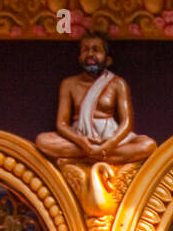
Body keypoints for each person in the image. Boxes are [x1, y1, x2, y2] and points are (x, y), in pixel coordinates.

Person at [35, 34, 156, 165]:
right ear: (79, 57)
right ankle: (97, 155)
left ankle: (86, 157)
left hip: (110, 139)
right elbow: (62, 124)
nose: (90, 54)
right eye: (86, 50)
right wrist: (81, 142)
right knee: (43, 140)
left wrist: (110, 143)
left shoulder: (117, 83)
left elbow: (126, 123)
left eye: (96, 49)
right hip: (79, 140)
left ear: (108, 59)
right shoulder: (68, 84)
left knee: (148, 145)